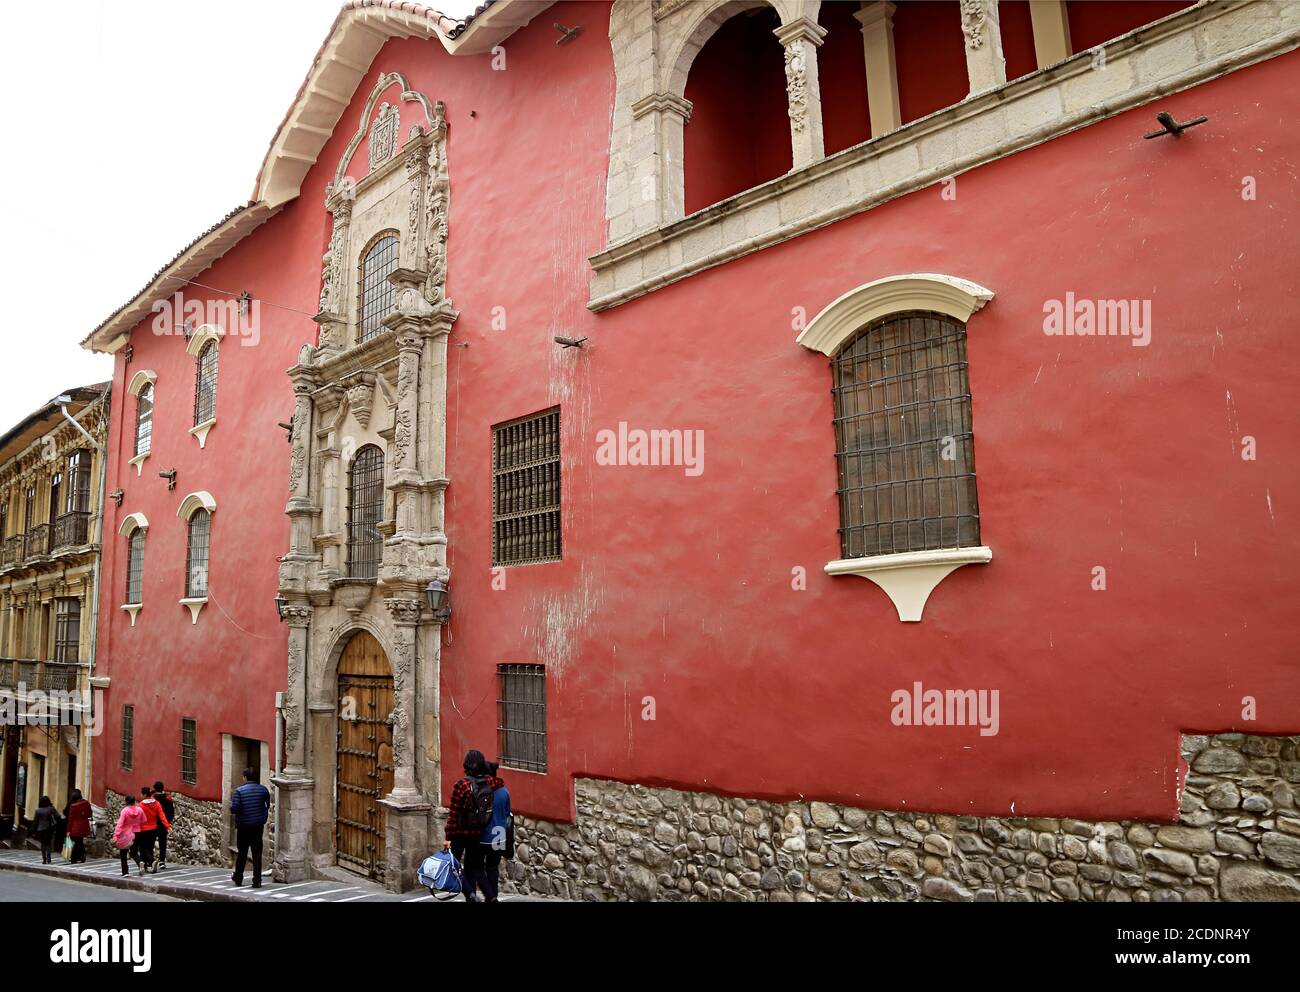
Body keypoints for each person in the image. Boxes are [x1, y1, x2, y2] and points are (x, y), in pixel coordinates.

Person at [445, 749, 494, 902]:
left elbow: (453, 814)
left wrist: (448, 837)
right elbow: (499, 781)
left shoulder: (461, 785)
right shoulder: (489, 783)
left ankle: (470, 895)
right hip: (477, 832)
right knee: (476, 867)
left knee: (455, 866)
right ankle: (491, 897)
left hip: (460, 834)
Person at [229, 768, 270, 888]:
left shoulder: (239, 791)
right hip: (258, 826)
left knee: (242, 852)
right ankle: (257, 880)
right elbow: (266, 806)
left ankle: (238, 877)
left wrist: (233, 808)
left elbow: (234, 808)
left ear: (245, 777)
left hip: (243, 826)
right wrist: (263, 818)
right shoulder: (264, 790)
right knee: (257, 853)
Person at [479, 762, 513, 903]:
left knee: (478, 867)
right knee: (493, 867)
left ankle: (488, 894)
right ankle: (493, 895)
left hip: (482, 835)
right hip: (499, 834)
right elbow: (507, 814)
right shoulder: (504, 791)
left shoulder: (480, 790)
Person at [134, 785, 170, 874]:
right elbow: (162, 816)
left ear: (145, 794)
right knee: (150, 847)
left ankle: (147, 864)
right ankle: (150, 864)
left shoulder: (141, 805)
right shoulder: (157, 803)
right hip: (153, 828)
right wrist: (167, 826)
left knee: (142, 848)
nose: (141, 796)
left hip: (143, 829)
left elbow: (137, 818)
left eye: (142, 794)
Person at [112, 796, 146, 876]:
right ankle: (139, 861)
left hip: (126, 834)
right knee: (134, 851)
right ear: (134, 801)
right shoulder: (140, 810)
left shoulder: (125, 811)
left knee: (123, 852)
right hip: (137, 833)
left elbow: (120, 824)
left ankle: (125, 872)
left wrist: (116, 835)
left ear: (126, 802)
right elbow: (144, 820)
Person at [64, 790, 93, 865]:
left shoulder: (73, 806)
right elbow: (89, 814)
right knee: (80, 841)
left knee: (76, 843)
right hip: (84, 825)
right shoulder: (86, 803)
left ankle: (74, 858)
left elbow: (71, 819)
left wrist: (68, 830)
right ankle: (82, 856)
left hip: (75, 827)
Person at [151, 781, 175, 869]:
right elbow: (171, 812)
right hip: (164, 823)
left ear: (155, 788)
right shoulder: (168, 799)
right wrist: (168, 821)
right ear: (162, 788)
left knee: (151, 842)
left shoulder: (153, 799)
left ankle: (151, 860)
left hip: (153, 823)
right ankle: (162, 861)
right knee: (162, 842)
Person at [31, 796, 61, 864]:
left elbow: (35, 822)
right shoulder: (51, 809)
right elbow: (58, 816)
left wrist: (33, 830)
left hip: (40, 829)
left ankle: (44, 859)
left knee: (43, 844)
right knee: (48, 843)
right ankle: (49, 858)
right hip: (49, 828)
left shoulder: (38, 810)